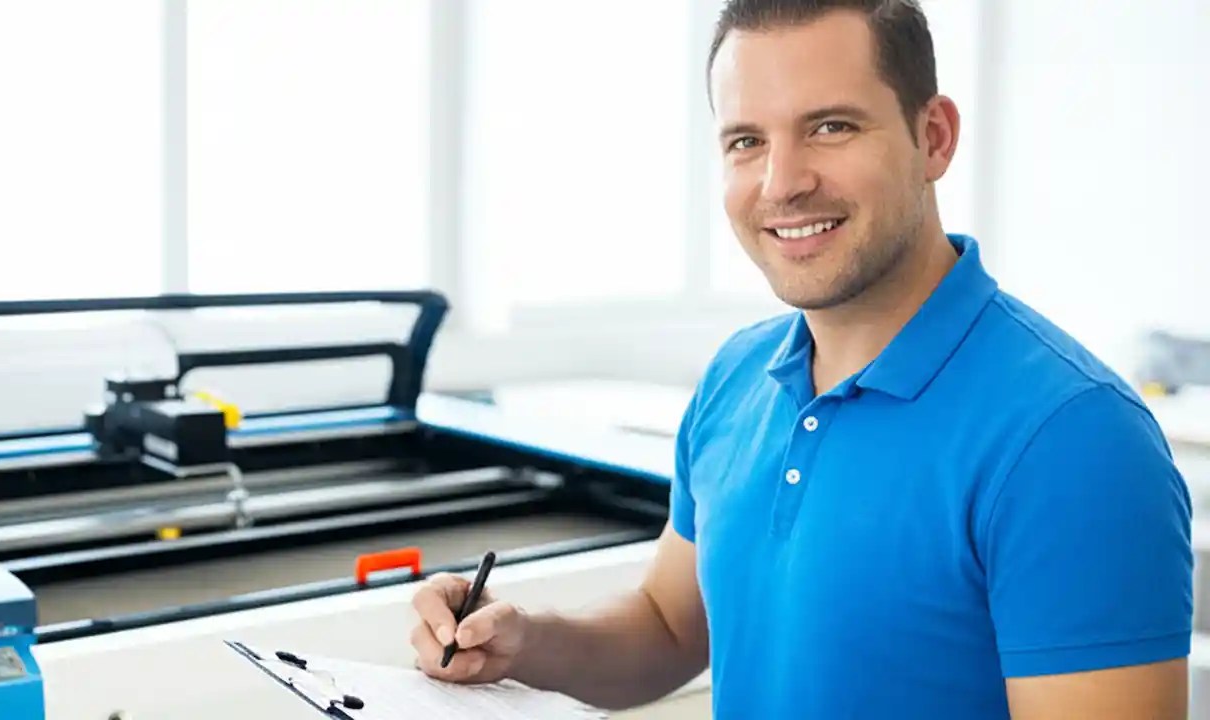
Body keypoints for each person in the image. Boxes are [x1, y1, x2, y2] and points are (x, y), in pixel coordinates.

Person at [408, 0, 1195, 717]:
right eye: (747, 141)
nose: (782, 183)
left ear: (934, 137)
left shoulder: (1075, 440)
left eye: (830, 127)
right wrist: (523, 640)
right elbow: (667, 628)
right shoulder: (735, 378)